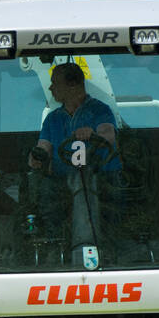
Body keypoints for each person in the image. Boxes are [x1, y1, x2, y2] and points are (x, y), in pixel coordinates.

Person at [26, 62, 120, 260]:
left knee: (82, 178)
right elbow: (43, 146)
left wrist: (93, 133)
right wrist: (36, 157)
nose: (51, 88)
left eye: (55, 83)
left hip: (101, 179)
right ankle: (50, 248)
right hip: (60, 183)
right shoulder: (52, 119)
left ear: (73, 85)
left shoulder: (99, 111)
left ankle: (86, 246)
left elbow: (109, 135)